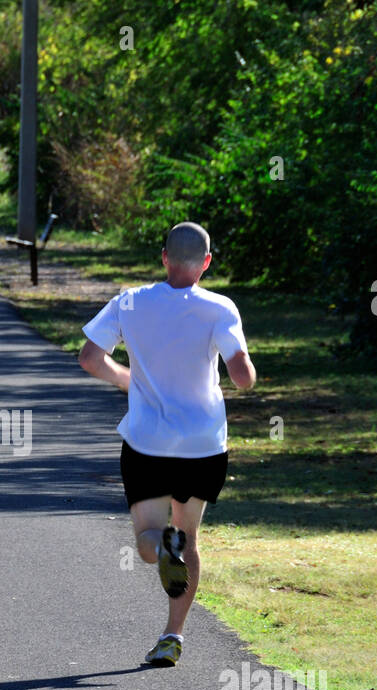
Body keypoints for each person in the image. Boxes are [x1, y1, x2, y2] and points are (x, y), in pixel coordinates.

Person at [78, 222, 256, 667]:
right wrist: (243, 370)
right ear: (207, 263)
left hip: (148, 442)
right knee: (189, 535)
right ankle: (173, 634)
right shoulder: (220, 307)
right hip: (203, 444)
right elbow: (242, 375)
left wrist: (124, 378)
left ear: (163, 257)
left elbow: (89, 358)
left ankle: (163, 550)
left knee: (146, 541)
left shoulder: (131, 301)